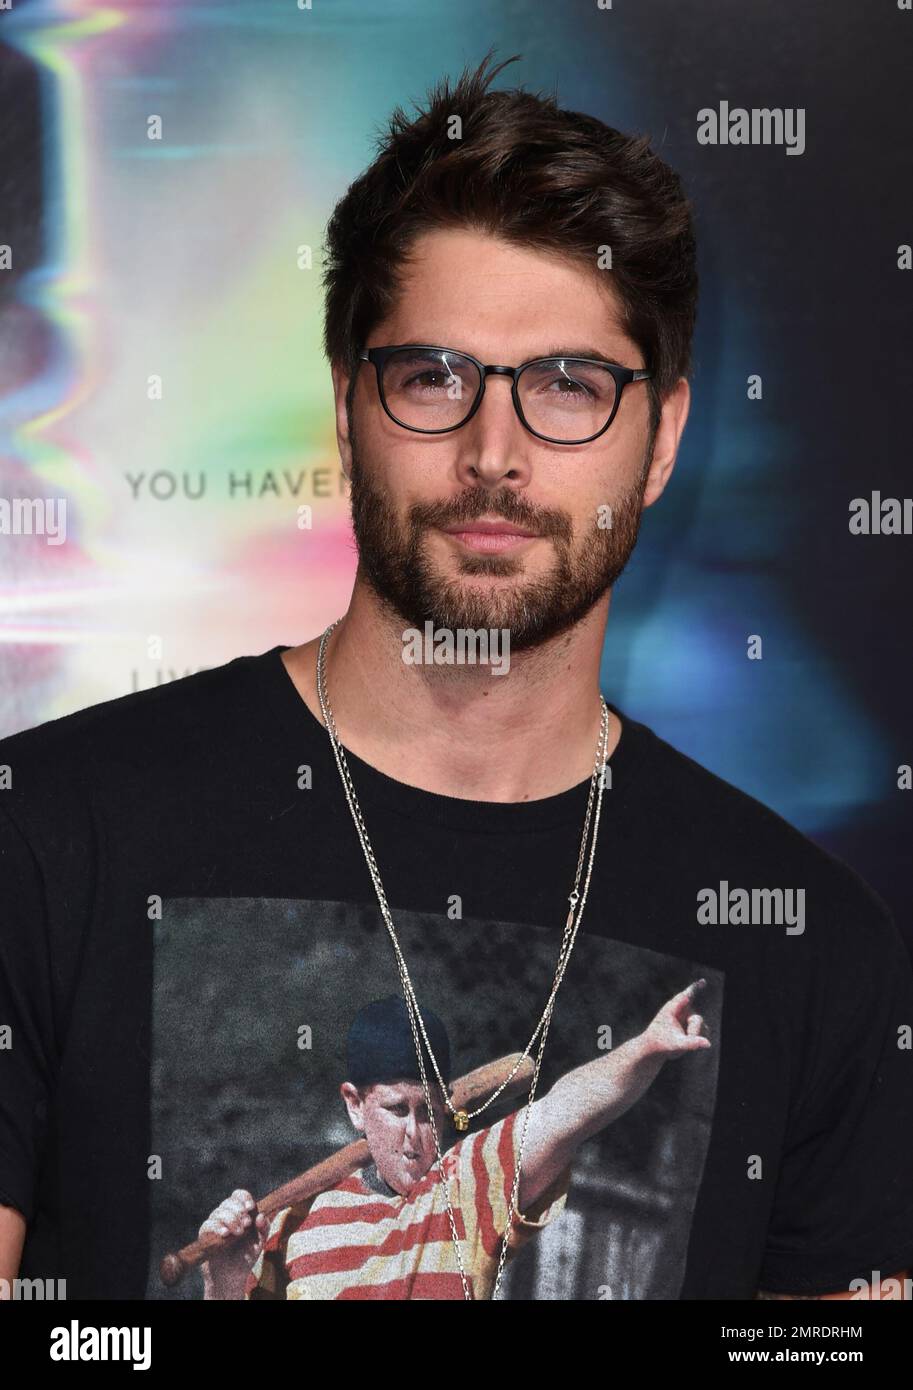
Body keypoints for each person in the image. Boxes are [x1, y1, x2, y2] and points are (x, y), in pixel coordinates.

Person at [1, 50, 912, 1303]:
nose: (495, 453)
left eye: (568, 387)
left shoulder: (815, 946)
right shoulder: (46, 838)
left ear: (662, 442)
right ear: (346, 406)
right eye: (433, 377)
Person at [199, 986, 710, 1300]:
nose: (414, 1136)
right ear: (355, 1105)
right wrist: (222, 1276)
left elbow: (564, 1112)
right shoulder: (296, 1223)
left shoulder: (465, 1187)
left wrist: (646, 1049)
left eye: (429, 1113)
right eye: (396, 1110)